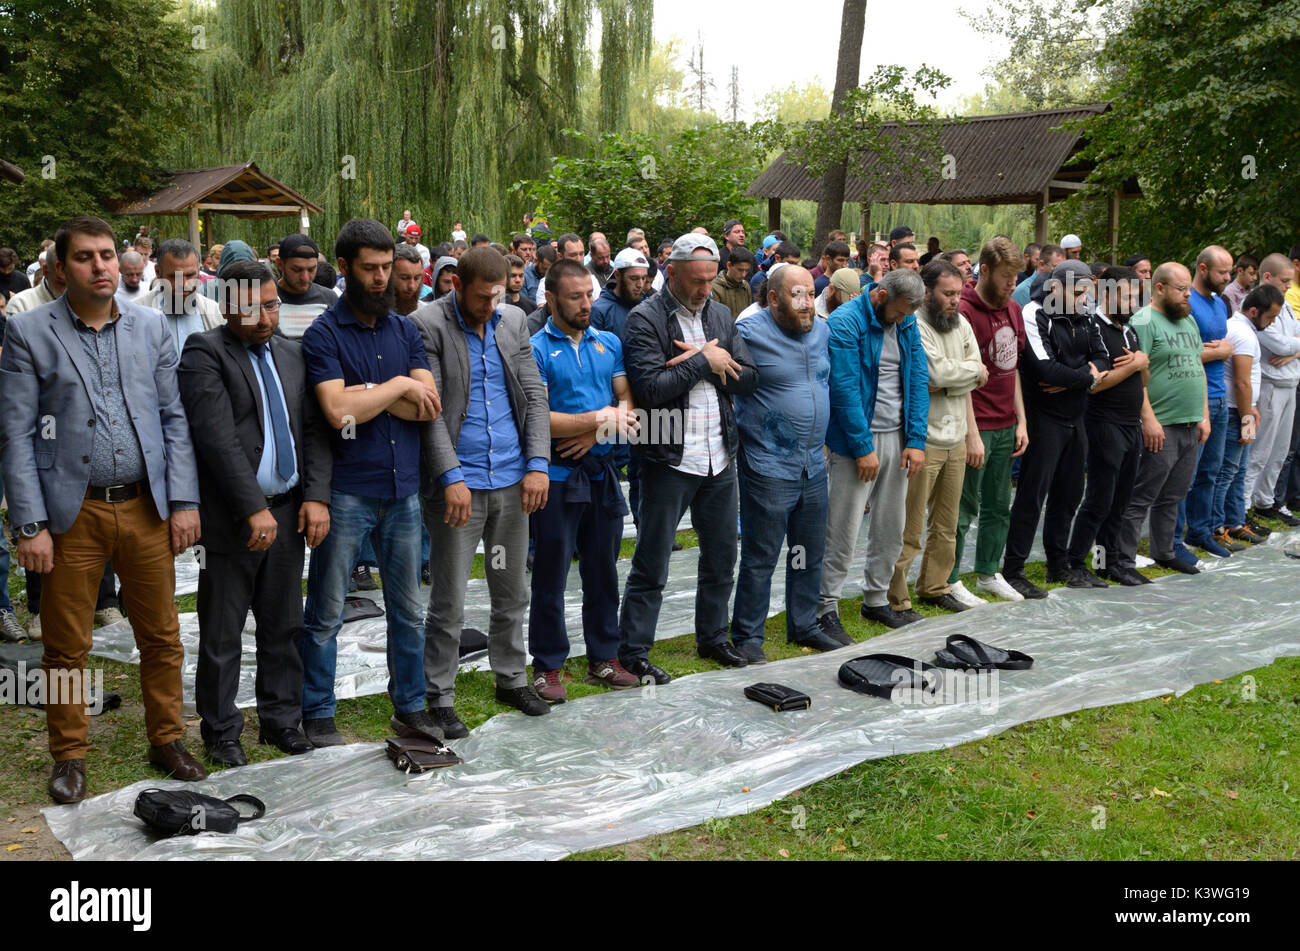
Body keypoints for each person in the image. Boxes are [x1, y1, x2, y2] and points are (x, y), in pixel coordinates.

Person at [0, 215, 204, 803]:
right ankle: (69, 755)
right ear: (62, 268)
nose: (102, 266)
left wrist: (185, 499)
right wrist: (30, 524)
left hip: (146, 509)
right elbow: (14, 435)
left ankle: (166, 739)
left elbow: (173, 419)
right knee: (67, 646)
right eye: (87, 257)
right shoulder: (30, 332)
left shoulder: (149, 328)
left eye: (109, 255)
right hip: (72, 517)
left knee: (162, 636)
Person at [178, 260, 332, 764]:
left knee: (283, 624)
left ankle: (281, 720)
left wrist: (315, 496)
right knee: (222, 632)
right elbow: (217, 439)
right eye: (252, 308)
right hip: (232, 523)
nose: (265, 317)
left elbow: (312, 432)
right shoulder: (205, 352)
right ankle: (221, 730)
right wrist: (251, 509)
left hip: (288, 515)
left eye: (271, 305)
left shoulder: (292, 353)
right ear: (227, 306)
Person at [299, 218, 444, 748]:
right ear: (343, 268)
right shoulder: (323, 334)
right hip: (347, 491)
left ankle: (409, 706)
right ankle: (317, 712)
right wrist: (399, 386)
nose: (382, 278)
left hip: (402, 491)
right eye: (371, 268)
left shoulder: (405, 330)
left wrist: (372, 393)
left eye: (388, 268)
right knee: (326, 612)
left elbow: (428, 407)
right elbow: (338, 413)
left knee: (409, 611)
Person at [412, 246, 551, 731]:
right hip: (460, 488)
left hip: (513, 481)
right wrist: (450, 476)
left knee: (512, 589)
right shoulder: (426, 323)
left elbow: (534, 393)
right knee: (448, 598)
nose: (490, 307)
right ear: (455, 285)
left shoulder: (513, 321)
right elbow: (428, 411)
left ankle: (511, 678)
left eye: (497, 297)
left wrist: (537, 463)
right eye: (481, 298)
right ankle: (439, 693)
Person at [618, 234, 758, 680]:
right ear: (672, 272)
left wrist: (700, 363)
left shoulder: (720, 313)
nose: (703, 289)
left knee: (721, 556)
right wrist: (705, 359)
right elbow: (651, 391)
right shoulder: (645, 319)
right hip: (668, 456)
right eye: (696, 280)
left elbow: (749, 377)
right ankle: (634, 650)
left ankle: (713, 637)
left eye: (709, 280)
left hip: (719, 453)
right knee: (652, 560)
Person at [526, 259, 640, 702]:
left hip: (602, 472)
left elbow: (627, 401)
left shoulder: (607, 342)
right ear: (550, 298)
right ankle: (548, 665)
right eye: (575, 297)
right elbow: (539, 418)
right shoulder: (535, 349)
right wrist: (597, 418)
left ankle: (604, 658)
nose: (586, 304)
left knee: (603, 569)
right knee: (551, 574)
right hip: (555, 476)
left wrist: (597, 430)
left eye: (590, 294)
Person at [731, 265, 839, 659]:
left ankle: (804, 625)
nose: (807, 303)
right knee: (761, 557)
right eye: (797, 295)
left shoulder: (821, 331)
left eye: (811, 294)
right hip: (768, 464)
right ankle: (748, 638)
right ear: (774, 298)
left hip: (813, 464)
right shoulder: (748, 333)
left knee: (807, 552)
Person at [817, 268, 929, 634]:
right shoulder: (845, 321)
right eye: (897, 313)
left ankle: (876, 599)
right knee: (843, 527)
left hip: (897, 437)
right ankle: (825, 606)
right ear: (880, 296)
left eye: (906, 315)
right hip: (855, 441)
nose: (901, 320)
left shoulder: (908, 323)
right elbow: (844, 386)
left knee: (890, 526)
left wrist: (915, 440)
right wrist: (862, 447)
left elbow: (917, 380)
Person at [1001, 260, 1110, 598]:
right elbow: (1044, 369)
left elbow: (1103, 358)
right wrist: (1085, 377)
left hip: (1076, 417)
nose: (1082, 299)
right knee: (1032, 496)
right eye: (1077, 292)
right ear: (1057, 287)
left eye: (1086, 293)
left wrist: (1076, 379)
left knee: (1069, 495)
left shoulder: (1086, 315)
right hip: (1043, 419)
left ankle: (1058, 564)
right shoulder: (1034, 313)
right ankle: (1014, 569)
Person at [887, 259, 987, 615]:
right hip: (924, 440)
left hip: (956, 439)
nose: (954, 301)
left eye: (959, 293)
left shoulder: (962, 325)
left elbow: (977, 371)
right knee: (909, 527)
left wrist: (957, 378)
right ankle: (894, 598)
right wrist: (966, 374)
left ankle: (934, 585)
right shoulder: (916, 325)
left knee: (946, 525)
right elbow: (934, 373)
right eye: (947, 293)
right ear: (927, 292)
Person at [1106, 263, 1210, 583]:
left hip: (1190, 423)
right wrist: (1148, 419)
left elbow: (1197, 365)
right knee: (1142, 496)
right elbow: (1136, 374)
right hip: (1161, 424)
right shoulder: (1145, 321)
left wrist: (1204, 414)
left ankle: (1164, 551)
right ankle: (1123, 559)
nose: (1187, 295)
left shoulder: (1188, 320)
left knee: (1174, 494)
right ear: (1160, 289)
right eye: (1181, 289)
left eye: (1189, 288)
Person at [948, 236, 1030, 603]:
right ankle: (948, 578)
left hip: (1006, 422)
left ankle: (988, 571)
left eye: (1016, 277)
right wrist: (972, 433)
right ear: (985, 270)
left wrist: (1022, 422)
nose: (1012, 284)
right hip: (974, 424)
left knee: (999, 504)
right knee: (963, 506)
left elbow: (1010, 369)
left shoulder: (1012, 308)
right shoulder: (963, 310)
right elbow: (964, 377)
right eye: (1006, 276)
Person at [1065, 266, 1149, 585]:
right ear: (1107, 293)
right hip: (1104, 425)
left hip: (1131, 426)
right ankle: (1076, 562)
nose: (1131, 303)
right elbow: (1093, 383)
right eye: (1126, 296)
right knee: (1099, 500)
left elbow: (1141, 374)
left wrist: (1141, 364)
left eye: (1134, 297)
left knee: (1120, 502)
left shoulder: (1129, 330)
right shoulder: (1091, 328)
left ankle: (1107, 561)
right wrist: (1136, 365)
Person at [1213, 285, 1283, 546]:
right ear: (1254, 311)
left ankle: (1235, 521)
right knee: (1225, 472)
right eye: (1271, 316)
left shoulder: (1245, 329)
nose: (1272, 322)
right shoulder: (1241, 332)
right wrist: (1246, 419)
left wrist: (1252, 409)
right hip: (1233, 410)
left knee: (1238, 471)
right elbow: (1241, 381)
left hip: (1241, 408)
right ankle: (1217, 527)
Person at [1181, 246, 1236, 558]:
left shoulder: (1218, 304)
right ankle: (1175, 538)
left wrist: (1223, 347)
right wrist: (1219, 351)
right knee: (1187, 474)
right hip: (1194, 398)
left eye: (1229, 272)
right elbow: (1179, 351)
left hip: (1219, 396)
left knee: (1211, 471)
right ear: (1202, 269)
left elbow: (1221, 344)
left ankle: (1201, 530)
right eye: (1221, 272)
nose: (1227, 278)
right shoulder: (1187, 304)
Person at [1244, 253, 1300, 523]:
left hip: (1290, 383)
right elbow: (1279, 344)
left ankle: (1267, 501)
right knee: (1259, 451)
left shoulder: (1284, 305)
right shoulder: (1260, 305)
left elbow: (1292, 339)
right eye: (1285, 280)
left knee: (1280, 450)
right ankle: (1243, 508)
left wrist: (1293, 349)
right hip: (1270, 385)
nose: (1289, 285)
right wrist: (1294, 347)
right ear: (1267, 277)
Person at [144, 238, 223, 353]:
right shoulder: (134, 313)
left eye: (190, 275)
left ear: (199, 270)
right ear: (158, 272)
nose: (184, 284)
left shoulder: (215, 313)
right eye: (175, 276)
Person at [275, 234, 338, 338]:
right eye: (296, 270)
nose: (305, 277)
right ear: (280, 264)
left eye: (311, 269)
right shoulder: (265, 298)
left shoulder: (329, 298)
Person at [591, 247, 650, 339]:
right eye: (634, 278)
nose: (640, 284)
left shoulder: (649, 306)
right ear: (617, 275)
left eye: (643, 278)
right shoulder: (599, 310)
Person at [536, 233, 601, 302]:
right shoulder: (546, 284)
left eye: (581, 254)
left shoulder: (592, 280)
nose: (579, 259)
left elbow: (600, 309)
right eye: (573, 255)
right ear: (560, 256)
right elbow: (543, 310)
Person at [710, 245, 753, 319]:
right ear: (729, 265)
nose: (743, 275)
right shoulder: (715, 288)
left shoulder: (745, 286)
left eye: (746, 270)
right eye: (740, 270)